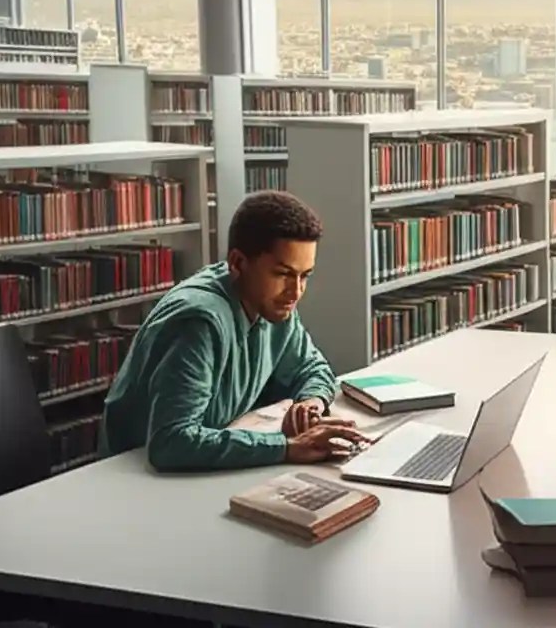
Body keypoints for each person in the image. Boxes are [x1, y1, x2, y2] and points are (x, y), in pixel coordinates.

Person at [100, 191, 367, 471]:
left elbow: (313, 368)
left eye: (304, 275)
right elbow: (171, 442)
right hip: (133, 481)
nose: (296, 291)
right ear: (238, 263)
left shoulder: (274, 303)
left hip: (201, 466)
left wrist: (310, 402)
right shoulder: (199, 323)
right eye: (283, 274)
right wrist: (288, 448)